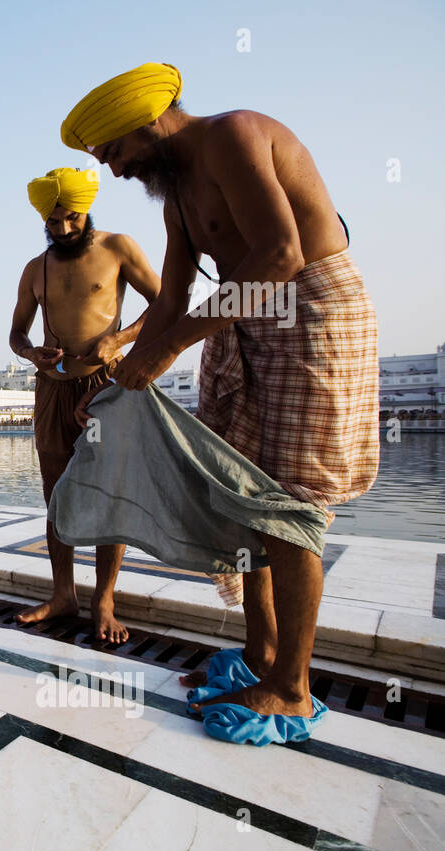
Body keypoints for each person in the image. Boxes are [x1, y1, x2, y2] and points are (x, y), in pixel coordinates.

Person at [60, 63, 379, 726]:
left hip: (313, 313)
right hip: (243, 322)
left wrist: (170, 347)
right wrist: (119, 369)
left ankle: (290, 685)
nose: (115, 172)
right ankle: (262, 650)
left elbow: (279, 255)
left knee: (289, 503)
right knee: (238, 491)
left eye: (115, 152)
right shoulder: (177, 196)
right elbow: (173, 299)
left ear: (149, 124)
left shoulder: (234, 134)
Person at [9, 168, 160, 642]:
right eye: (54, 223)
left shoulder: (119, 248)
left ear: (86, 209)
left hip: (104, 386)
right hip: (52, 389)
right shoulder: (36, 268)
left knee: (109, 492)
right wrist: (31, 352)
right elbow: (16, 333)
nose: (64, 229)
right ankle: (62, 595)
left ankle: (104, 600)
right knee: (58, 496)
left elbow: (165, 302)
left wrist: (119, 339)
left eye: (71, 219)